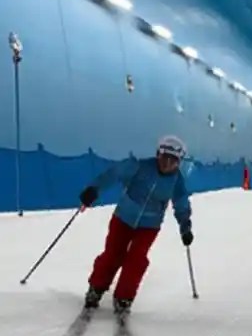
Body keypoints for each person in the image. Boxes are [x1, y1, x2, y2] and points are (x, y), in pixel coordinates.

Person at [79, 135, 194, 314]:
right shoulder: (140, 167)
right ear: (158, 155)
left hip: (150, 225)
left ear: (179, 162)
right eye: (165, 158)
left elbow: (181, 203)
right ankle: (96, 288)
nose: (167, 164)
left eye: (173, 161)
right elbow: (113, 173)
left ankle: (124, 297)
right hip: (124, 218)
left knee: (136, 259)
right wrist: (94, 189)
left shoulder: (176, 181)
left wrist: (185, 225)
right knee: (113, 254)